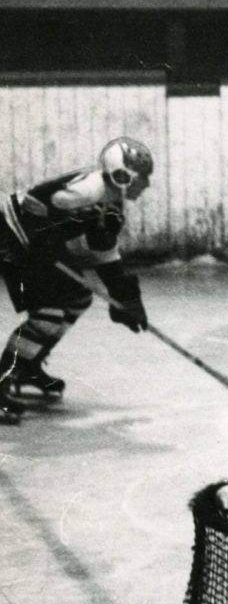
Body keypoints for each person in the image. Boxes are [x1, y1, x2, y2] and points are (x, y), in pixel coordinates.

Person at [0, 138, 154, 423]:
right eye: (142, 178)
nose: (145, 184)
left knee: (78, 297)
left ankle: (28, 364)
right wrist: (49, 245)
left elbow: (104, 252)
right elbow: (40, 204)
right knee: (48, 313)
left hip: (33, 239)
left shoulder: (110, 199)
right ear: (123, 175)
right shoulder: (91, 190)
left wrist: (126, 298)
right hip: (14, 235)